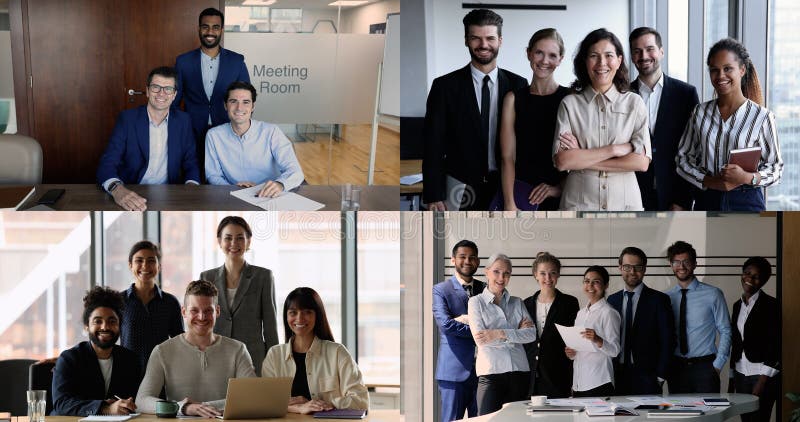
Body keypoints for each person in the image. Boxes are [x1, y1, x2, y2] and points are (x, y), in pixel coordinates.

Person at [422, 9, 527, 211]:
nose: (483, 45)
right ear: (466, 40)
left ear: (500, 41)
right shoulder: (444, 86)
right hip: (459, 186)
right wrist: (433, 194)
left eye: (490, 38)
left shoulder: (519, 85)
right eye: (476, 38)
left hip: (506, 186)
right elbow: (432, 144)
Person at [676, 38, 783, 211]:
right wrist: (709, 181)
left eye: (727, 69)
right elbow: (683, 159)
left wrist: (747, 177)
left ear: (742, 70)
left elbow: (776, 168)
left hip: (747, 200)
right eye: (714, 70)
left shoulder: (762, 117)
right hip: (707, 199)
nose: (720, 76)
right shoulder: (699, 113)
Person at [553, 28, 651, 211]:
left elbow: (641, 162)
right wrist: (616, 149)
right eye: (594, 56)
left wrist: (582, 158)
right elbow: (564, 162)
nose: (601, 63)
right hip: (579, 207)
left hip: (625, 206)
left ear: (619, 60)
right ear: (585, 61)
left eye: (608, 55)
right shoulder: (569, 104)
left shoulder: (634, 103)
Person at [136, 280, 256, 417]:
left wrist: (203, 407)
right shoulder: (162, 351)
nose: (201, 317)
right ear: (184, 312)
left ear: (217, 311)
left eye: (208, 311)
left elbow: (251, 398)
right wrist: (184, 407)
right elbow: (142, 401)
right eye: (194, 310)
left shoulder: (238, 350)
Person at [96, 66, 200, 211]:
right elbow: (107, 163)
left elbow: (191, 162)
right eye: (156, 87)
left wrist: (191, 187)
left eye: (168, 89)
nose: (161, 93)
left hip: (170, 194)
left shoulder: (184, 121)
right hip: (131, 192)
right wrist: (117, 190)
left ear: (175, 94)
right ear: (147, 91)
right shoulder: (127, 119)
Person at [262, 287, 369, 414]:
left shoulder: (337, 353)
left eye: (307, 312)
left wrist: (320, 404)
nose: (299, 318)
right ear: (286, 316)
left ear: (317, 315)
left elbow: (361, 401)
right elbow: (266, 403)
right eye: (293, 312)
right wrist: (299, 408)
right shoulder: (274, 355)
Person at [628, 27, 699, 211]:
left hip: (674, 197)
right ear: (632, 56)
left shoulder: (686, 94)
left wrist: (683, 200)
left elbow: (695, 151)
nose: (644, 56)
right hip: (631, 196)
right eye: (637, 51)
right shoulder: (623, 95)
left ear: (661, 51)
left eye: (650, 49)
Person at [175, 7, 251, 174]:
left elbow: (246, 98)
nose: (210, 31)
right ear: (198, 29)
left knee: (225, 175)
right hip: (192, 130)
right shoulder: (183, 61)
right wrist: (176, 129)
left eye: (215, 27)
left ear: (222, 30)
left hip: (227, 129)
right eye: (205, 26)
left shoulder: (236, 61)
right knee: (195, 174)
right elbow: (174, 100)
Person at [499, 29, 569, 211]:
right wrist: (509, 204)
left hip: (562, 196)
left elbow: (579, 158)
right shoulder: (513, 99)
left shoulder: (571, 99)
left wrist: (557, 189)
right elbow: (508, 157)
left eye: (552, 55)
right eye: (539, 53)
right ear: (528, 53)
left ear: (560, 59)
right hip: (520, 196)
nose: (545, 61)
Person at [200, 216, 279, 374]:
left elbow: (270, 326)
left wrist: (275, 363)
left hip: (253, 357)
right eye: (228, 238)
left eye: (240, 238)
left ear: (248, 241)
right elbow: (203, 321)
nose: (234, 244)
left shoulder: (263, 276)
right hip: (217, 356)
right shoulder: (207, 277)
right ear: (219, 241)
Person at [52, 287, 142, 416]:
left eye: (112, 321)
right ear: (86, 326)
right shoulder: (69, 358)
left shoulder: (130, 360)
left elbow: (136, 400)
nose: (105, 327)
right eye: (98, 321)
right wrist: (105, 408)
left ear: (119, 325)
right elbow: (62, 403)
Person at [205, 81, 304, 198]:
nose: (239, 107)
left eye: (246, 102)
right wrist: (232, 189)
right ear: (226, 105)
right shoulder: (214, 135)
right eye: (233, 101)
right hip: (233, 196)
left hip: (270, 196)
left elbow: (295, 171)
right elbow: (213, 175)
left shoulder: (272, 132)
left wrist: (280, 184)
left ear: (253, 106)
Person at [468, 254, 536, 415]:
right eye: (497, 272)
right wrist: (515, 334)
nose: (501, 277)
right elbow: (482, 341)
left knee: (517, 420)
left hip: (520, 372)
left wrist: (498, 333)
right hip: (491, 373)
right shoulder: (476, 302)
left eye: (506, 273)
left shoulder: (517, 302)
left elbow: (532, 335)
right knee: (487, 418)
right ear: (487, 272)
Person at [664, 241, 731, 393]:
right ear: (671, 265)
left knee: (709, 415)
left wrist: (718, 364)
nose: (681, 266)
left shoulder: (713, 294)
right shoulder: (666, 298)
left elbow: (726, 330)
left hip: (705, 367)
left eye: (686, 262)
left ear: (695, 264)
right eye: (676, 262)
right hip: (676, 367)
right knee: (680, 415)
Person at [607, 247, 674, 395]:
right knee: (619, 417)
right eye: (627, 267)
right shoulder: (612, 300)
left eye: (637, 267)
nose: (632, 271)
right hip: (617, 374)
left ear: (644, 269)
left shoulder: (659, 300)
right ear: (620, 268)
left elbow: (667, 340)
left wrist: (660, 375)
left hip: (648, 377)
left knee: (647, 417)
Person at [432, 240, 486, 421]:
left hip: (483, 371)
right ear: (453, 260)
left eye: (472, 257)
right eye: (462, 257)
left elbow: (493, 324)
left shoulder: (485, 289)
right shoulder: (441, 290)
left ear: (477, 262)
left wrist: (463, 320)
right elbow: (446, 325)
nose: (467, 261)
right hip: (453, 372)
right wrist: (478, 327)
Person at [728, 257, 780, 422]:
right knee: (746, 419)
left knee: (759, 419)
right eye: (747, 273)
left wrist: (762, 381)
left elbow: (775, 345)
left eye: (756, 276)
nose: (749, 279)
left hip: (761, 375)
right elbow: (736, 341)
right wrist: (731, 376)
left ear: (763, 281)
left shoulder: (772, 305)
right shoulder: (737, 305)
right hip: (741, 373)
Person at [120, 240, 184, 373]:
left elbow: (179, 342)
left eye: (151, 261)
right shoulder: (120, 301)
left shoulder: (170, 302)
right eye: (139, 260)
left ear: (159, 266)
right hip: (128, 374)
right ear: (130, 265)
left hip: (162, 374)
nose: (145, 266)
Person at [523, 252, 579, 398]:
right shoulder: (525, 304)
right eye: (543, 273)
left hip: (559, 375)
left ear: (558, 274)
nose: (547, 278)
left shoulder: (570, 303)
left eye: (552, 273)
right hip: (529, 377)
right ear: (535, 274)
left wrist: (574, 351)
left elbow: (574, 338)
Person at [565, 266, 620, 397]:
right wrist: (572, 353)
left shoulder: (609, 313)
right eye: (587, 281)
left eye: (596, 282)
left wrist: (598, 339)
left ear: (605, 285)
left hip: (599, 381)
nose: (590, 285)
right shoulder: (580, 313)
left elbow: (615, 350)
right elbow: (580, 350)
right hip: (579, 382)